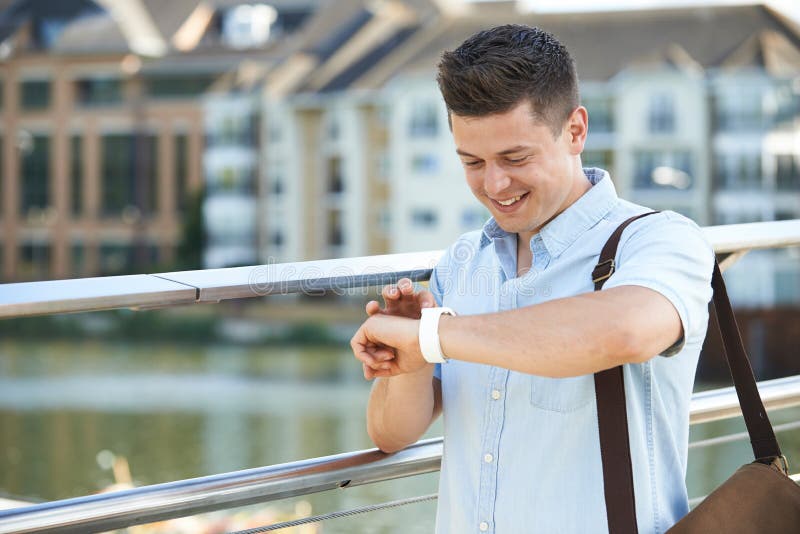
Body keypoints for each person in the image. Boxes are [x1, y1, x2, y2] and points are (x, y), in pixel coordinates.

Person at [350, 24, 714, 533]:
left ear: (575, 131)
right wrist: (407, 358)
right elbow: (391, 435)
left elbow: (626, 330)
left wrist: (435, 336)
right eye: (472, 162)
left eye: (515, 158)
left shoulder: (659, 241)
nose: (494, 184)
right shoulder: (460, 263)